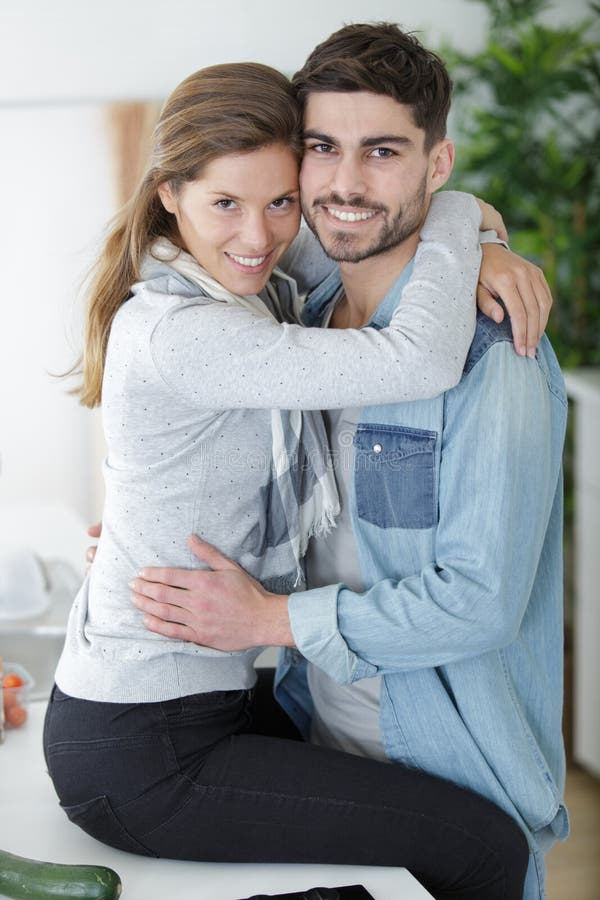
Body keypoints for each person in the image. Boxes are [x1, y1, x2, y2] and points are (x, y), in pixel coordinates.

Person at [48, 57, 545, 899]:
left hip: (205, 702)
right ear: (169, 192)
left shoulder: (252, 285)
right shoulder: (189, 330)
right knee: (487, 849)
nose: (259, 233)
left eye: (281, 201)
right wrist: (459, 213)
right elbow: (417, 353)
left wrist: (483, 243)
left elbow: (366, 237)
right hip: (148, 747)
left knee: (419, 837)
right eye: (226, 205)